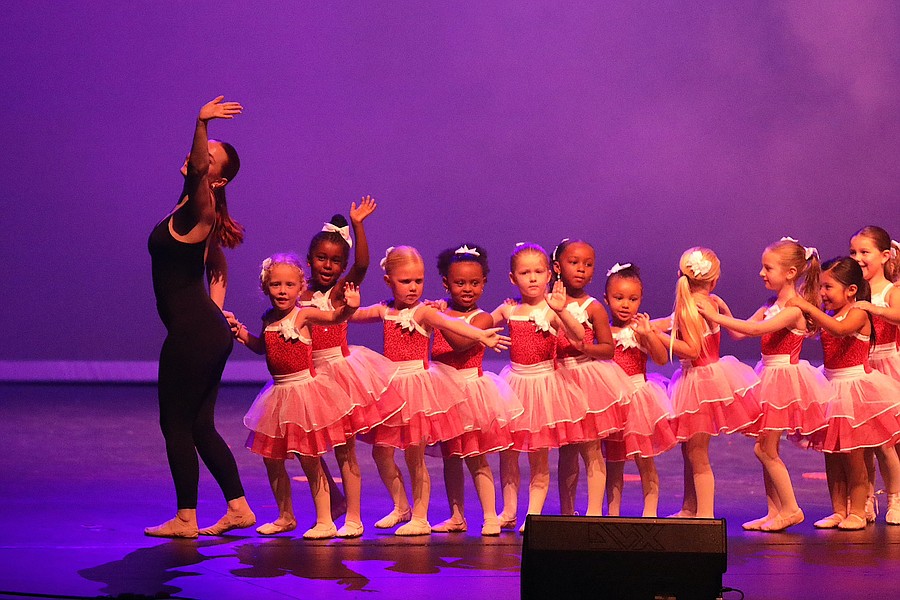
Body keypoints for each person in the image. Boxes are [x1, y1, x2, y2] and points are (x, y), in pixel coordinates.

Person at [145, 96, 254, 538]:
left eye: (208, 157)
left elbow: (195, 172)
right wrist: (217, 305)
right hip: (202, 330)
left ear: (218, 177)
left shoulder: (201, 206)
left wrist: (200, 121)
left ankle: (185, 519)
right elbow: (218, 266)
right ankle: (239, 508)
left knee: (174, 423)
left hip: (193, 334)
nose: (196, 156)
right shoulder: (188, 206)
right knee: (199, 424)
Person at [352, 246, 509, 535]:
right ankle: (402, 507)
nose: (413, 288)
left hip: (419, 388)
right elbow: (350, 316)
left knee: (416, 455)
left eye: (418, 281)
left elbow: (450, 324)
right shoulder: (384, 310)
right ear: (389, 281)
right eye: (405, 281)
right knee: (381, 453)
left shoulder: (424, 311)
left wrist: (480, 335)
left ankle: (421, 518)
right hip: (392, 387)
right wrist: (344, 305)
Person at [697, 239, 829, 531]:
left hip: (783, 380)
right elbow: (739, 334)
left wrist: (712, 314)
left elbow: (756, 330)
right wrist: (723, 310)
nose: (761, 273)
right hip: (766, 375)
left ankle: (792, 509)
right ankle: (775, 512)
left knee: (765, 449)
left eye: (768, 268)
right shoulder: (771, 304)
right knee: (765, 447)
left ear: (791, 272)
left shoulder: (795, 308)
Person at [230, 255, 361, 539]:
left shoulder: (303, 315)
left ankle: (325, 520)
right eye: (275, 284)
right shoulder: (268, 317)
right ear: (266, 287)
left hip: (304, 394)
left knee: (310, 458)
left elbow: (334, 317)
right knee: (271, 459)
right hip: (277, 395)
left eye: (289, 285)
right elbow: (262, 348)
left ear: (301, 287)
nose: (282, 290)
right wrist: (241, 333)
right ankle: (285, 515)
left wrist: (349, 308)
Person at [298, 200, 405, 538]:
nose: (328, 266)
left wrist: (358, 224)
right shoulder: (300, 293)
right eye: (322, 258)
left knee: (346, 448)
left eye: (336, 261)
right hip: (309, 377)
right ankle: (331, 505)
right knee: (308, 447)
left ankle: (354, 518)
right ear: (309, 260)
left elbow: (362, 263)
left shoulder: (341, 291)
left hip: (340, 375)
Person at [787, 257, 900, 530]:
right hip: (830, 387)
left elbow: (839, 331)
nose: (823, 293)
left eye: (829, 287)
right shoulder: (831, 313)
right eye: (822, 287)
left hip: (855, 390)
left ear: (850, 290)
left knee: (854, 456)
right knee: (832, 454)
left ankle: (858, 512)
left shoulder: (858, 312)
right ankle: (839, 510)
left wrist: (805, 306)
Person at [491, 243, 589, 532]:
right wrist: (445, 309)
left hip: (546, 388)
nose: (532, 278)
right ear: (513, 278)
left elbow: (580, 335)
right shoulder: (509, 310)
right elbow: (479, 322)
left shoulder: (553, 309)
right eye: (524, 272)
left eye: (537, 272)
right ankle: (508, 510)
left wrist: (562, 311)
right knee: (508, 452)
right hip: (514, 385)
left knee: (539, 454)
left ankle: (533, 513)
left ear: (549, 275)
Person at [430, 244, 523, 536]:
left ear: (484, 283)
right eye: (459, 283)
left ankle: (489, 516)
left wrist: (437, 319)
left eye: (474, 283)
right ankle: (457, 516)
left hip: (471, 393)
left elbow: (460, 344)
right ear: (446, 283)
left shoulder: (481, 318)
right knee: (450, 459)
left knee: (476, 457)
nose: (467, 288)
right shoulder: (439, 311)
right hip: (443, 392)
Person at [665, 247, 761, 519]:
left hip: (700, 382)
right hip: (708, 377)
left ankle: (704, 515)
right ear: (713, 281)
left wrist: (658, 338)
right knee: (690, 448)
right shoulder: (714, 301)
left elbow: (693, 350)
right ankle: (689, 507)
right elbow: (733, 329)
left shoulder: (689, 308)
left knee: (696, 452)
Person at [550, 239, 633, 517]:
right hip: (558, 381)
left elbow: (608, 349)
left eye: (588, 264)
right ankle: (566, 512)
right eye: (574, 263)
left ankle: (594, 512)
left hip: (587, 380)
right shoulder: (547, 303)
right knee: (566, 452)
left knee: (591, 448)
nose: (582, 269)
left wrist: (585, 347)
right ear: (557, 267)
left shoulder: (593, 306)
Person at [604, 262, 677, 518]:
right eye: (619, 298)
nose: (625, 304)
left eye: (632, 299)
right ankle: (612, 514)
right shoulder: (602, 332)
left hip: (638, 400)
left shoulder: (641, 330)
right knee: (613, 464)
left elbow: (660, 359)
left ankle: (650, 512)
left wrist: (648, 335)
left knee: (645, 461)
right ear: (606, 298)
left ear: (641, 299)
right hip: (612, 403)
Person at [848, 226, 900, 524]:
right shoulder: (856, 291)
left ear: (884, 256)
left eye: (864, 252)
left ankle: (896, 498)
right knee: (861, 442)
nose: (857, 258)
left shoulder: (890, 291)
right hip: (862, 370)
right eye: (853, 252)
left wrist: (874, 309)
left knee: (886, 443)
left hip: (887, 369)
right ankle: (864, 500)